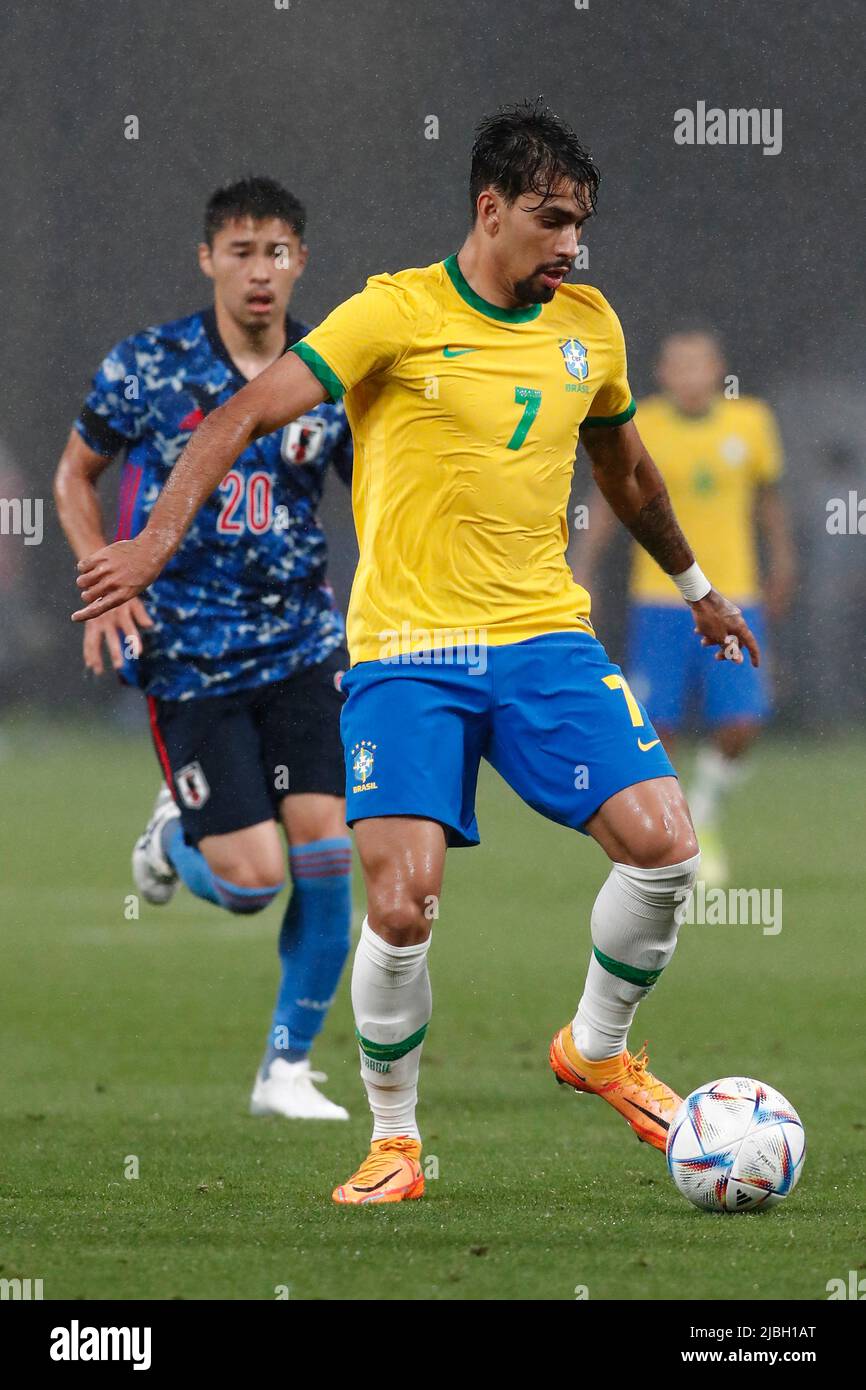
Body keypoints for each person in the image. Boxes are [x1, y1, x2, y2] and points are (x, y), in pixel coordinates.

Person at [71, 102, 762, 1205]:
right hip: (405, 653)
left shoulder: (588, 324)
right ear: (489, 210)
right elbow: (244, 412)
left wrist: (695, 588)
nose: (569, 243)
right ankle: (395, 1141)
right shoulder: (390, 313)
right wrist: (153, 538)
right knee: (399, 905)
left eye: (579, 222)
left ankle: (595, 1047)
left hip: (545, 638)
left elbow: (627, 472)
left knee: (665, 848)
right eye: (549, 219)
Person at [55, 176, 354, 1121]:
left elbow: (378, 494)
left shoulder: (327, 374)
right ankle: (172, 839)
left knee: (331, 848)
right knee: (252, 883)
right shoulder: (149, 366)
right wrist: (104, 577)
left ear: (300, 260)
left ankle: (286, 1069)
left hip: (305, 645)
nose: (259, 272)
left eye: (276, 252)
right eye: (240, 251)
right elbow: (74, 474)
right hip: (188, 656)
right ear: (208, 259)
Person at [574, 331, 794, 884]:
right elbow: (609, 491)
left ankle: (706, 807)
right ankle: (676, 837)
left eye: (700, 364)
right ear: (663, 373)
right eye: (679, 365)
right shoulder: (640, 420)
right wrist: (584, 564)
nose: (690, 374)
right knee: (656, 729)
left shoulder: (752, 423)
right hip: (659, 602)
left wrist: (784, 562)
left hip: (735, 594)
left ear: (719, 369)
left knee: (742, 723)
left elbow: (770, 504)